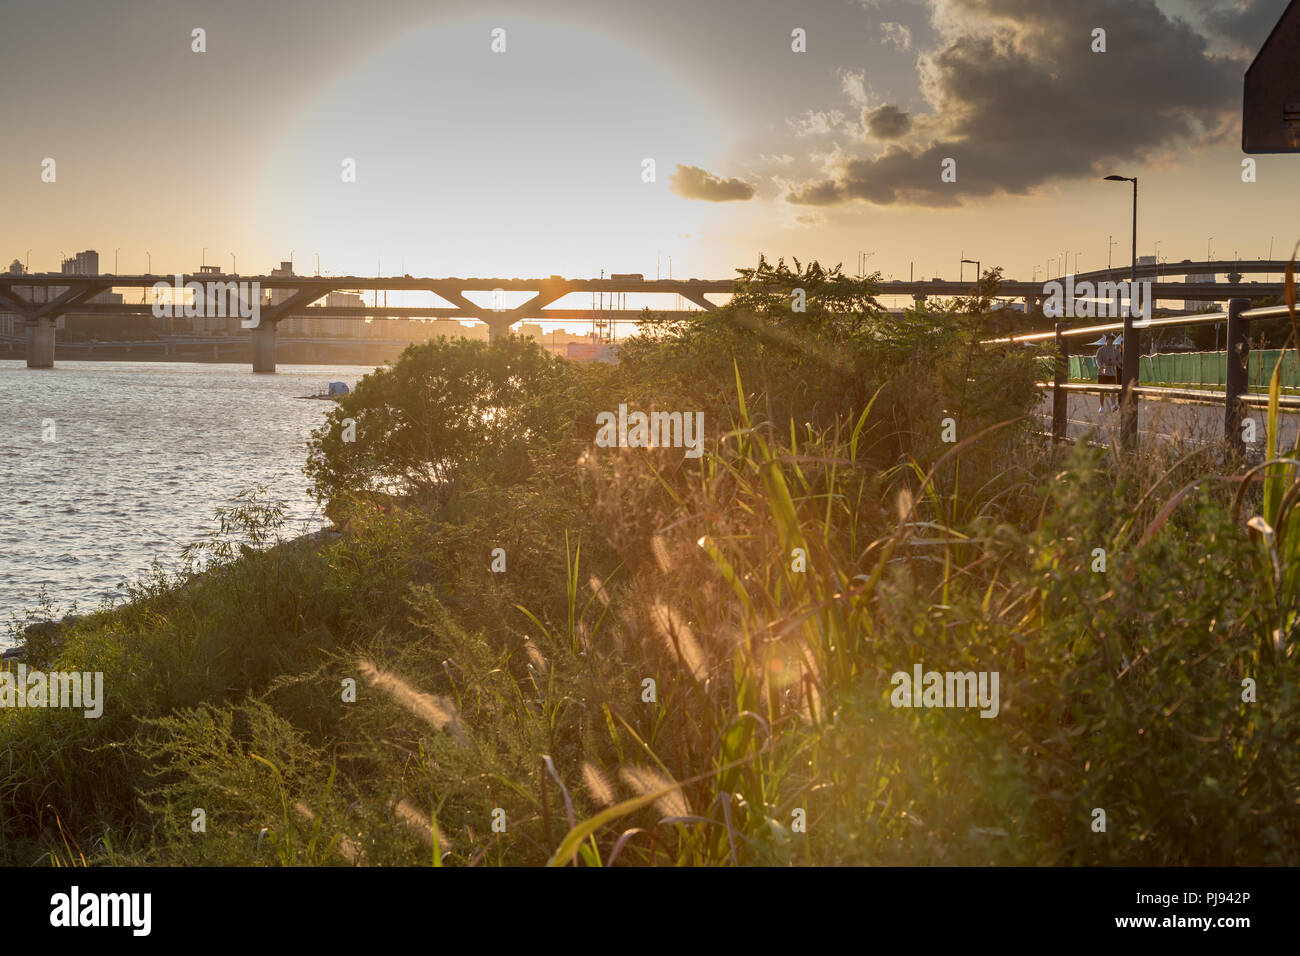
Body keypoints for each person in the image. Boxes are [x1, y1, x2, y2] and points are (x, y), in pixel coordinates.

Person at [1096, 333, 1119, 412]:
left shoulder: (1115, 351)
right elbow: (1098, 360)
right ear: (1106, 341)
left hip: (1112, 373)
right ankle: (1101, 406)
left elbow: (1119, 361)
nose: (1110, 342)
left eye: (1112, 341)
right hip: (1102, 373)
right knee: (1102, 391)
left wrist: (1114, 362)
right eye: (1109, 340)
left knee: (1112, 390)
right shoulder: (1100, 350)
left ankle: (1113, 405)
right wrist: (1102, 366)